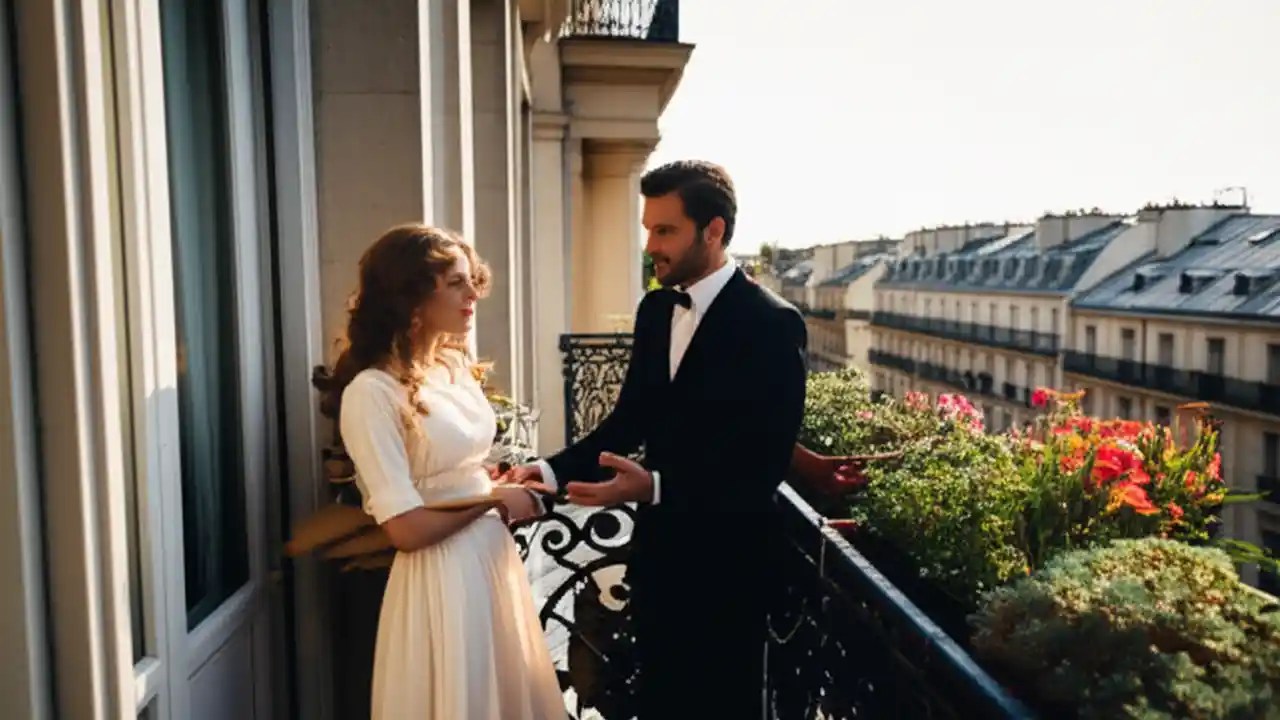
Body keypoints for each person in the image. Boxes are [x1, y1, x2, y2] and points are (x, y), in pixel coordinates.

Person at [506, 160, 808, 718]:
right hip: (658, 561)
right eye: (648, 229)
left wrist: (655, 487)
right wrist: (546, 473)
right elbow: (628, 422)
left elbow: (761, 463)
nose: (651, 245)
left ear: (713, 231)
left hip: (729, 571)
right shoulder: (656, 309)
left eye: (665, 230)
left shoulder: (773, 324)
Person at [317, 223, 564, 720]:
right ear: (408, 292)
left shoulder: (451, 366)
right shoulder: (372, 392)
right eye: (455, 283)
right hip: (440, 581)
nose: (473, 293)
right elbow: (405, 528)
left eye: (471, 280)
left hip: (490, 564)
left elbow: (453, 472)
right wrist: (492, 502)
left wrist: (497, 485)